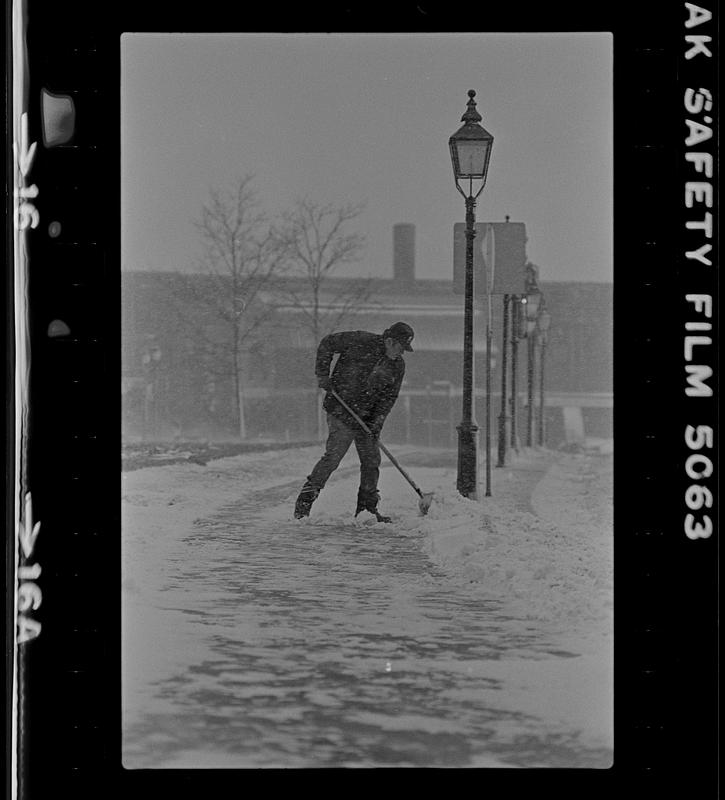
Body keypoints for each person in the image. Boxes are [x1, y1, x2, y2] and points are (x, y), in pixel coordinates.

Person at [293, 321, 414, 522]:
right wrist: (322, 374)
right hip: (341, 409)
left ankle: (367, 510)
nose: (401, 353)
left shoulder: (397, 366)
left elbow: (389, 398)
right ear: (390, 341)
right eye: (401, 348)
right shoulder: (360, 341)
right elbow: (327, 343)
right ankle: (305, 501)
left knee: (371, 460)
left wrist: (376, 423)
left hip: (367, 418)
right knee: (334, 456)